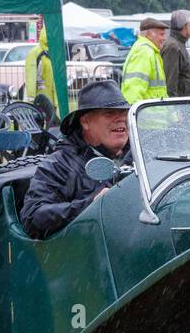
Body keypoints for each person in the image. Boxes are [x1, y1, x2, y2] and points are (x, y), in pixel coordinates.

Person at [21, 81, 132, 240]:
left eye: (124, 113)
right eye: (109, 113)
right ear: (85, 122)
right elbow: (32, 218)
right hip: (86, 254)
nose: (121, 119)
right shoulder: (60, 164)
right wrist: (91, 205)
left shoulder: (140, 155)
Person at [121, 17, 169, 103]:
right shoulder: (144, 52)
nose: (165, 38)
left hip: (152, 113)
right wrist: (136, 114)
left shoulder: (149, 51)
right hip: (148, 114)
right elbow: (134, 89)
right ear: (148, 34)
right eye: (161, 34)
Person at [160, 9, 190, 97]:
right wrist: (174, 106)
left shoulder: (178, 44)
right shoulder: (173, 46)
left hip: (184, 104)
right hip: (181, 105)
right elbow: (170, 82)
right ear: (185, 26)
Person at [23, 26, 56, 107]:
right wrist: (31, 98)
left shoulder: (56, 51)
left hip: (52, 98)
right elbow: (30, 76)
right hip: (40, 98)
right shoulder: (35, 53)